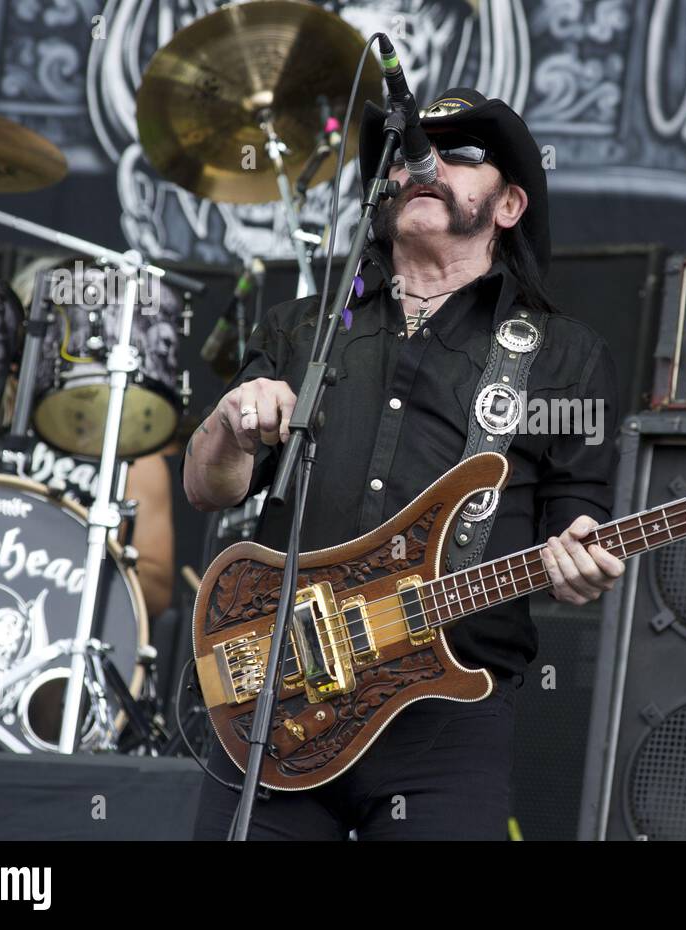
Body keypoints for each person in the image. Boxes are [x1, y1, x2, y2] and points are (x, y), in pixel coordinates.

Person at [183, 88, 623, 840]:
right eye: (410, 154)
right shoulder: (303, 329)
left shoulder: (560, 353)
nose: (426, 165)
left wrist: (584, 558)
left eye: (461, 154)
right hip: (281, 700)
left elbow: (581, 523)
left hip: (448, 714)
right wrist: (229, 425)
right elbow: (205, 486)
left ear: (510, 204)